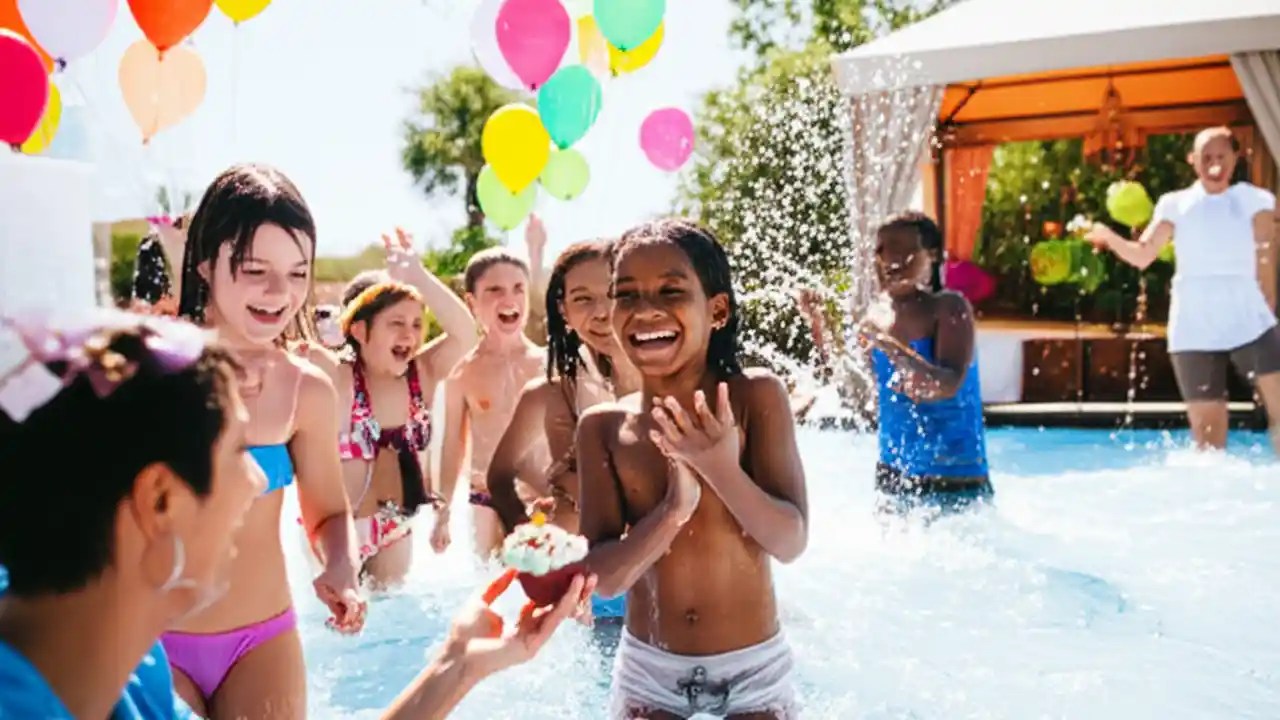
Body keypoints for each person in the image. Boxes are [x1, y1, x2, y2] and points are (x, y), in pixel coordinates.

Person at [0, 311, 596, 720]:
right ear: (159, 501)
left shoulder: (128, 668)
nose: (259, 479)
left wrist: (457, 665)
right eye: (238, 450)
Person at [576, 218, 808, 719]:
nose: (647, 311)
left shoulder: (755, 398)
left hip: (754, 671)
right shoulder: (603, 428)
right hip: (648, 673)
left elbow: (790, 542)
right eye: (627, 294)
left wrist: (719, 470)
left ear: (717, 309)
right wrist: (675, 509)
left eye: (671, 290)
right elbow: (605, 580)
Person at [168, 163, 364, 718]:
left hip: (262, 641)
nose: (280, 294)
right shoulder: (153, 376)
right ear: (205, 262)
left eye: (298, 274)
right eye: (256, 270)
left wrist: (340, 566)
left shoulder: (307, 391)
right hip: (150, 639)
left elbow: (327, 510)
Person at [1087, 126, 1280, 452]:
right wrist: (1108, 236)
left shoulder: (1253, 199)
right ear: (1192, 160)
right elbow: (1143, 255)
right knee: (1208, 441)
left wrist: (1268, 299)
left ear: (1236, 158)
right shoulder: (1175, 204)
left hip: (1250, 320)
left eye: (1222, 156)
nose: (1215, 165)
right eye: (1207, 158)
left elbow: (1265, 252)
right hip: (1195, 325)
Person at [485, 239, 642, 625]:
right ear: (564, 312)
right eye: (583, 299)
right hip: (581, 583)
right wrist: (530, 544)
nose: (602, 312)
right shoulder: (550, 393)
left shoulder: (673, 382)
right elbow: (500, 476)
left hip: (659, 575)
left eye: (612, 293)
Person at [330, 229, 478, 587]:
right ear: (360, 331)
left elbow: (466, 334)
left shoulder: (421, 376)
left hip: (393, 527)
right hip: (335, 529)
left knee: (386, 619)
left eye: (415, 324)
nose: (409, 335)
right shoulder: (339, 377)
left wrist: (418, 277)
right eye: (396, 323)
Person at [856, 211, 992, 514]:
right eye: (882, 248)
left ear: (931, 255)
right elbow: (860, 390)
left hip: (954, 479)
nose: (889, 258)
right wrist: (818, 326)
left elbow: (946, 386)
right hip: (892, 477)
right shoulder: (875, 316)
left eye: (901, 249)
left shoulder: (947, 308)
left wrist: (887, 343)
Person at [432, 218, 547, 559]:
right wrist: (442, 513)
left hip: (537, 495)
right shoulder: (464, 373)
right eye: (494, 291)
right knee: (491, 588)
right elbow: (452, 445)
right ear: (471, 303)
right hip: (484, 497)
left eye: (518, 288)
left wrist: (536, 251)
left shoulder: (546, 364)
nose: (508, 298)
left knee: (540, 580)